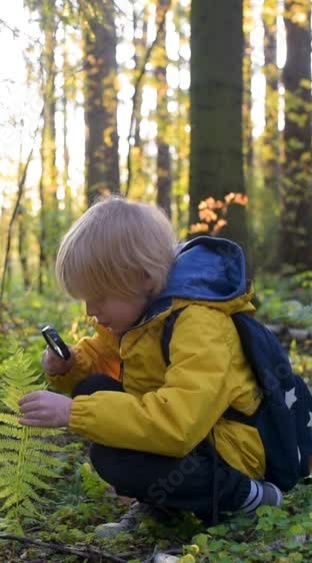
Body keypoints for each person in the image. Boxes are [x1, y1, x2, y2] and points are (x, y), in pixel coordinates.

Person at [18, 196, 282, 538]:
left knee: (114, 458)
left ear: (142, 278)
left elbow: (177, 425)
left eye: (99, 297)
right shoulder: (144, 315)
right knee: (90, 390)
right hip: (194, 443)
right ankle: (161, 506)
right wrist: (70, 365)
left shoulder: (199, 325)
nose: (90, 311)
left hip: (231, 450)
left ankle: (251, 497)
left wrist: (73, 413)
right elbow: (106, 361)